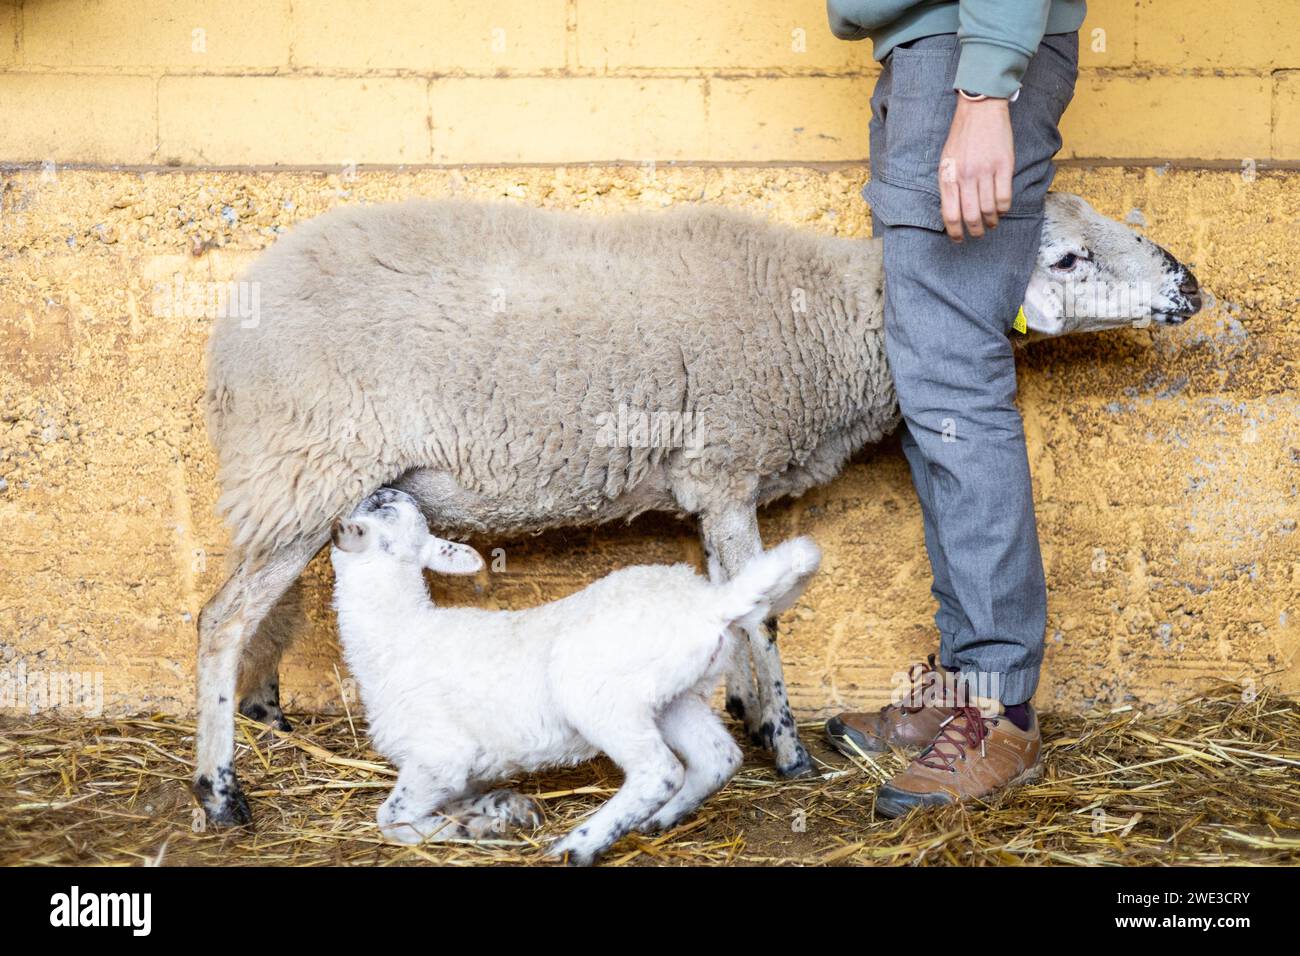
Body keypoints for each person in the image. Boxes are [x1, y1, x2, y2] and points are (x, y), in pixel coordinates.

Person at [821, 0, 1086, 816]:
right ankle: (965, 687)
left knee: (955, 383)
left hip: (966, 54)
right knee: (932, 381)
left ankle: (997, 710)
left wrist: (983, 90)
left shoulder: (977, 77)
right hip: (933, 51)